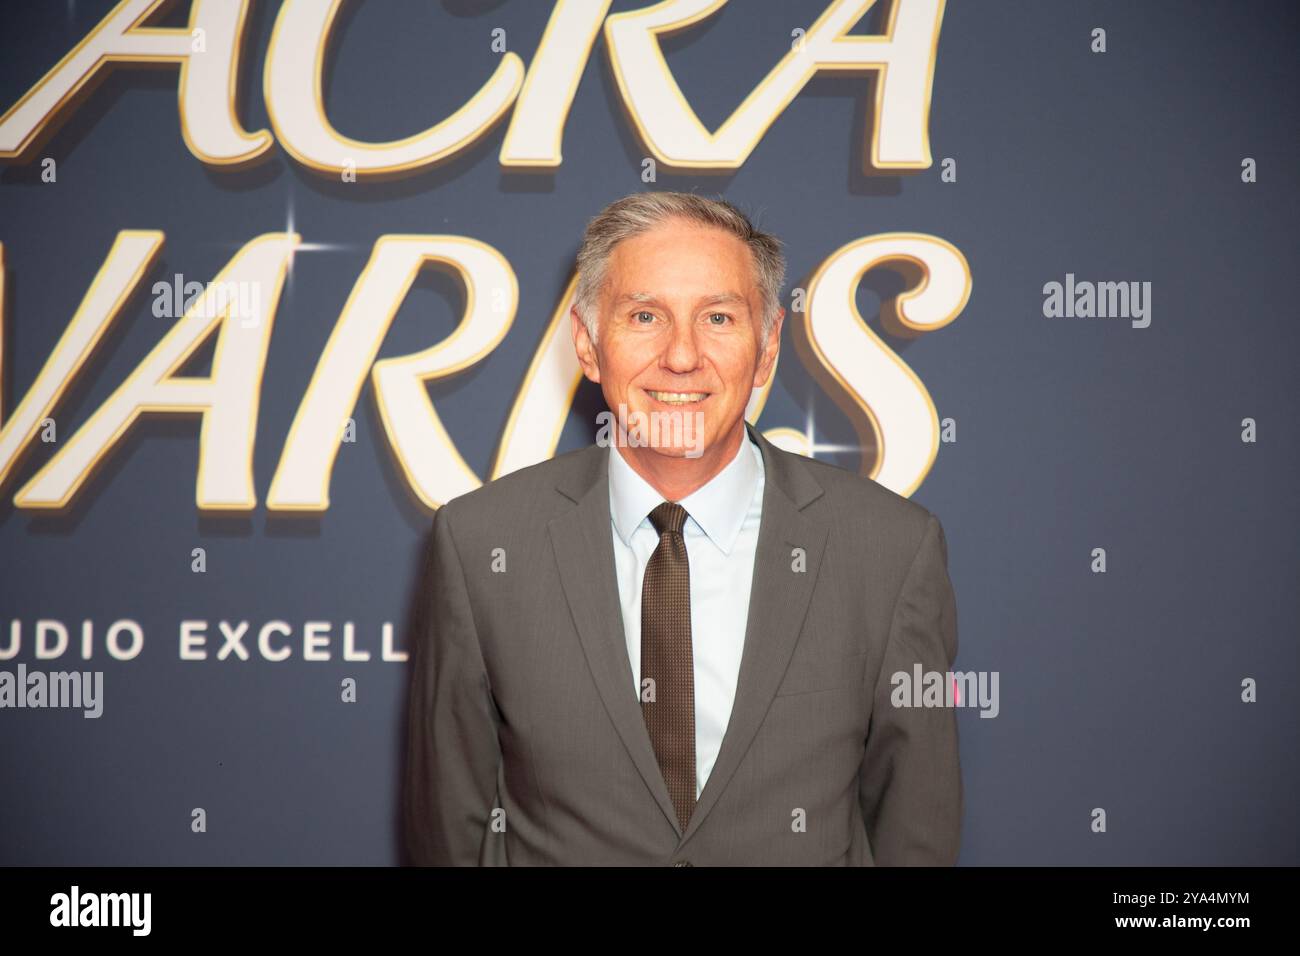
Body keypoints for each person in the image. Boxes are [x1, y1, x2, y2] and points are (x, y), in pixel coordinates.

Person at [404, 191, 961, 865]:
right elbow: (450, 831)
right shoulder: (481, 545)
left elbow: (915, 830)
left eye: (719, 317)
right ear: (587, 344)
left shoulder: (889, 550)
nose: (682, 356)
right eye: (645, 316)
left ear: (767, 347)